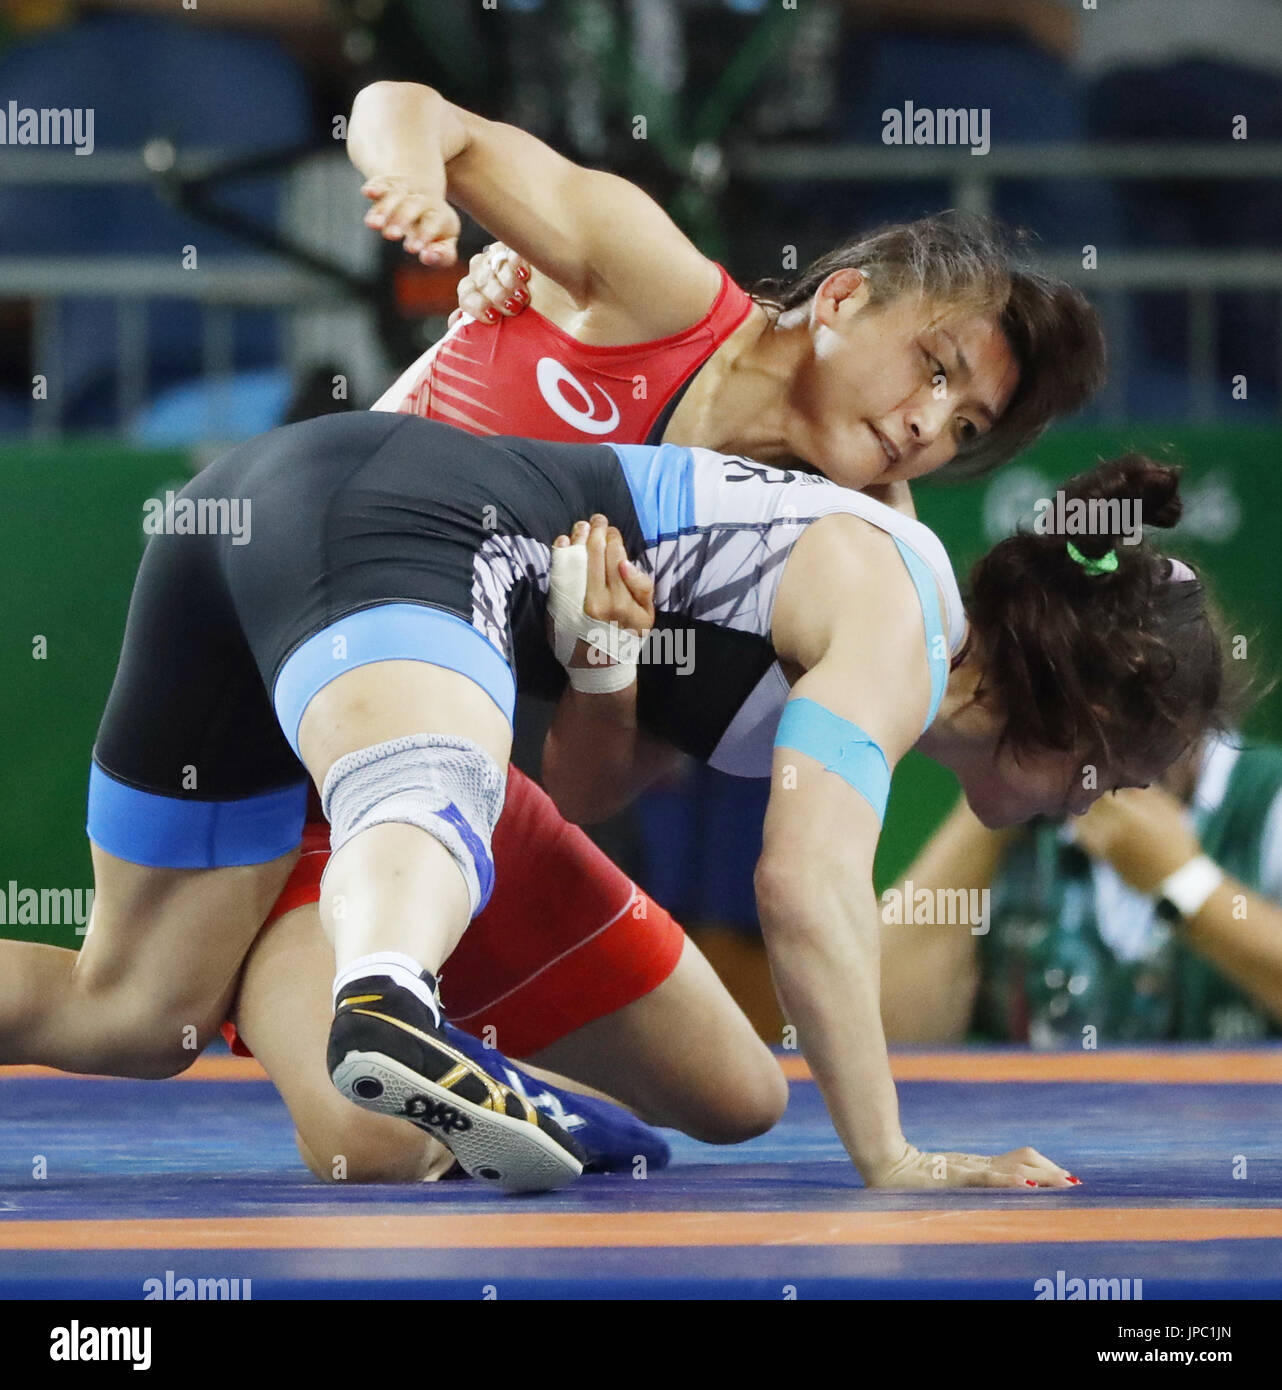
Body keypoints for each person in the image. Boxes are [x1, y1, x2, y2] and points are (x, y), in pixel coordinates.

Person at [218, 79, 1107, 1182]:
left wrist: (605, 666)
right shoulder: (655, 289)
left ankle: (489, 1079)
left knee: (739, 1097)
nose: (926, 427)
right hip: (321, 666)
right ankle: (295, 971)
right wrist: (410, 183)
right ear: (839, 302)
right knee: (344, 1131)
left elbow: (578, 793)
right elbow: (407, 104)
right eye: (934, 368)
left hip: (469, 781)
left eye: (963, 425)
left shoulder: (831, 536)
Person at [4, 397, 1229, 1192]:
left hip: (269, 542)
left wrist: (602, 668)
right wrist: (894, 1158)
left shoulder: (866, 618)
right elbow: (805, 886)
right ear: (1088, 724)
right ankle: (387, 996)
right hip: (379, 520)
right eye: (1124, 765)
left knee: (129, 1013)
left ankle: (419, 1022)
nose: (1110, 797)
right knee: (424, 797)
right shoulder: (900, 628)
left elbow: (583, 789)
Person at [880, 726, 1282, 1046]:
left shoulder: (1267, 798)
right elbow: (883, 1033)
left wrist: (1183, 884)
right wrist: (989, 813)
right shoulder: (1015, 818)